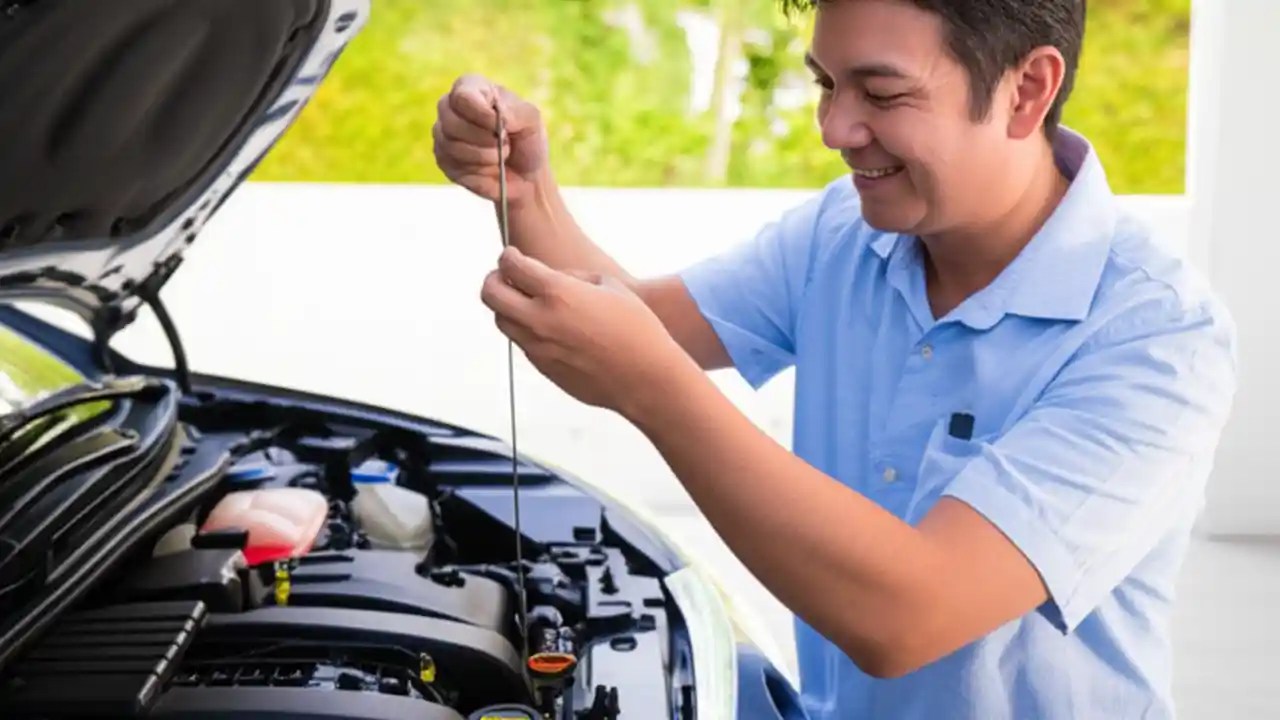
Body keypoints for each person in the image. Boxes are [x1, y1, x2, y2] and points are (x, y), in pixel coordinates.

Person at [432, 0, 1238, 717]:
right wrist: (529, 194)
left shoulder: (1155, 340)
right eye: (827, 83)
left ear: (1027, 90)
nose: (834, 128)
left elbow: (906, 618)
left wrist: (654, 391)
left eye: (882, 94)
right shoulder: (846, 237)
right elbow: (638, 327)